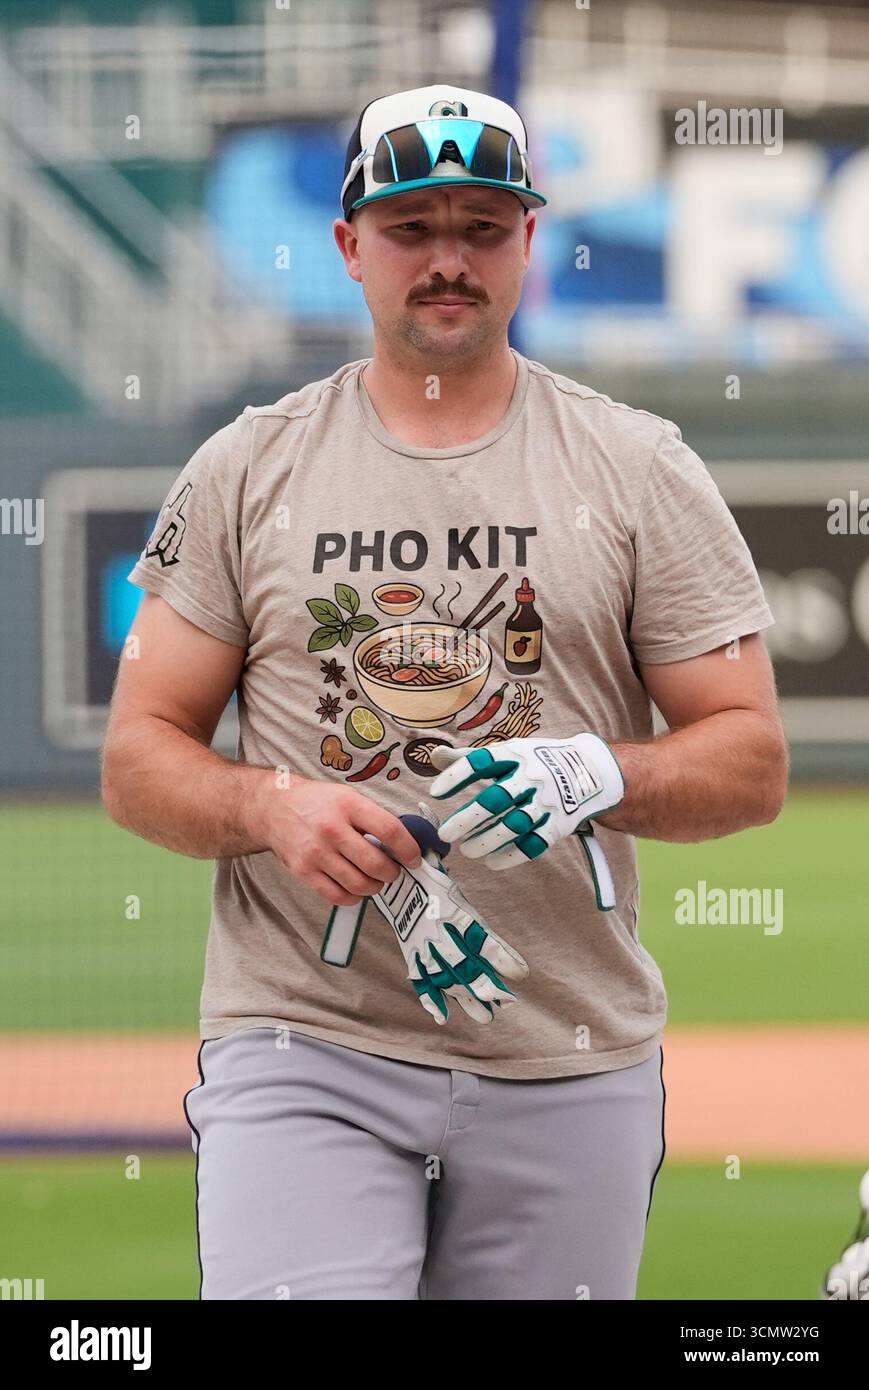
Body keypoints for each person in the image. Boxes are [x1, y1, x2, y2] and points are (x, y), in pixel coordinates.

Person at [101, 84, 788, 1300]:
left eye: (481, 227)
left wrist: (597, 772)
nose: (447, 260)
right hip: (303, 1040)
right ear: (348, 245)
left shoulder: (637, 467)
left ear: (527, 242)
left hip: (566, 1052)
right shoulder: (245, 467)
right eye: (413, 227)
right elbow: (139, 754)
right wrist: (273, 807)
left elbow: (747, 758)